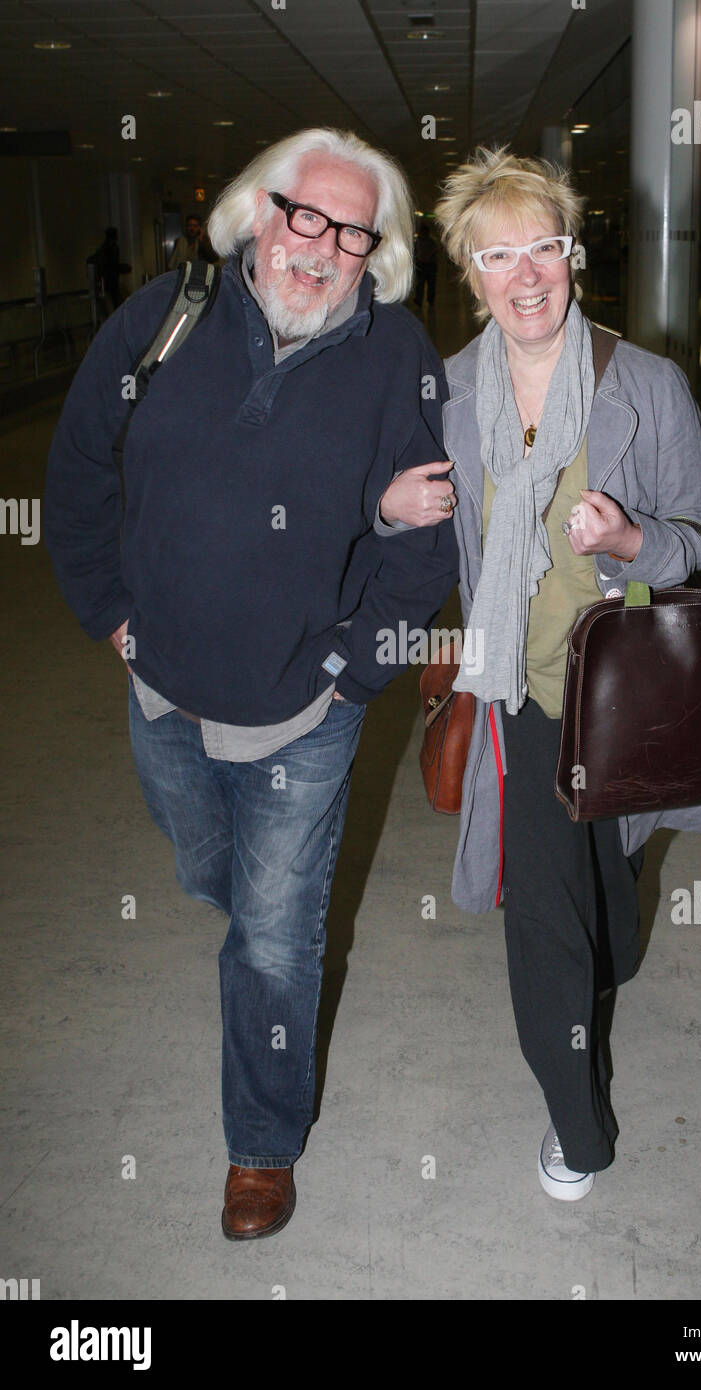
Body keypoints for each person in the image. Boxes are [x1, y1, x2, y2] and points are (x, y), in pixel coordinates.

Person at [44, 128, 458, 1241]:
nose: (318, 248)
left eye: (350, 231)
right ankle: (276, 929)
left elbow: (426, 535)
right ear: (258, 213)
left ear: (378, 251)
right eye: (302, 216)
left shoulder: (394, 355)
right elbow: (81, 464)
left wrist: (350, 669)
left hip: (300, 706)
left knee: (272, 937)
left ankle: (259, 1150)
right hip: (164, 686)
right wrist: (110, 614)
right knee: (213, 877)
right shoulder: (164, 318)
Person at [381, 147, 701, 1201]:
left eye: (541, 246)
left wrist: (634, 542)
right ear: (470, 273)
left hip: (626, 695)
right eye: (498, 255)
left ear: (571, 254)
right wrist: (387, 510)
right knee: (542, 914)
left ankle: (612, 939)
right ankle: (577, 1129)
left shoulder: (647, 384)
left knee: (602, 899)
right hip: (520, 694)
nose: (524, 274)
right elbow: (400, 533)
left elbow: (700, 538)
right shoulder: (443, 394)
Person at [86, 227, 131, 313]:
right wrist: (120, 268)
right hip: (107, 282)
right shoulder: (106, 249)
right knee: (112, 304)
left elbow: (113, 265)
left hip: (113, 281)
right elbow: (109, 266)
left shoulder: (114, 248)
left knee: (116, 303)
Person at [413, 217, 438, 307]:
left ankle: (430, 300)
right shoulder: (417, 241)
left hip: (430, 265)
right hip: (421, 265)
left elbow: (434, 251)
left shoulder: (431, 241)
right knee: (420, 284)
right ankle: (419, 299)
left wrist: (427, 257)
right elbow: (414, 252)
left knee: (431, 284)